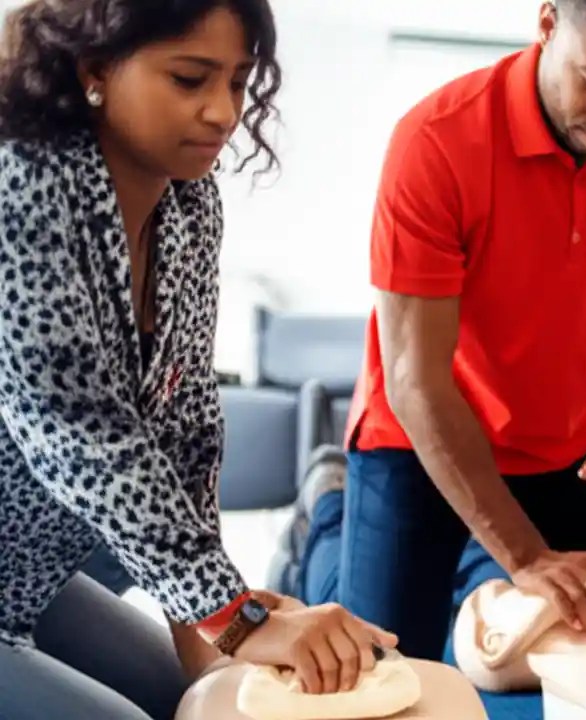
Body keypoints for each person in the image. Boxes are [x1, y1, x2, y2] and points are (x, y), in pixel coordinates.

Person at [0, 1, 396, 718]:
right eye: (190, 80)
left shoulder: (191, 205)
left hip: (30, 572)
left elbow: (189, 427)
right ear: (95, 70)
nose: (223, 112)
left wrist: (225, 634)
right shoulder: (19, 184)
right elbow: (78, 432)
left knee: (199, 698)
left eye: (240, 83)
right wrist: (235, 616)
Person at [293, 0, 586, 662]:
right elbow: (415, 379)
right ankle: (326, 517)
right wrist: (525, 555)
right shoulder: (436, 140)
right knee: (384, 668)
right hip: (421, 436)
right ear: (546, 23)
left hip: (568, 441)